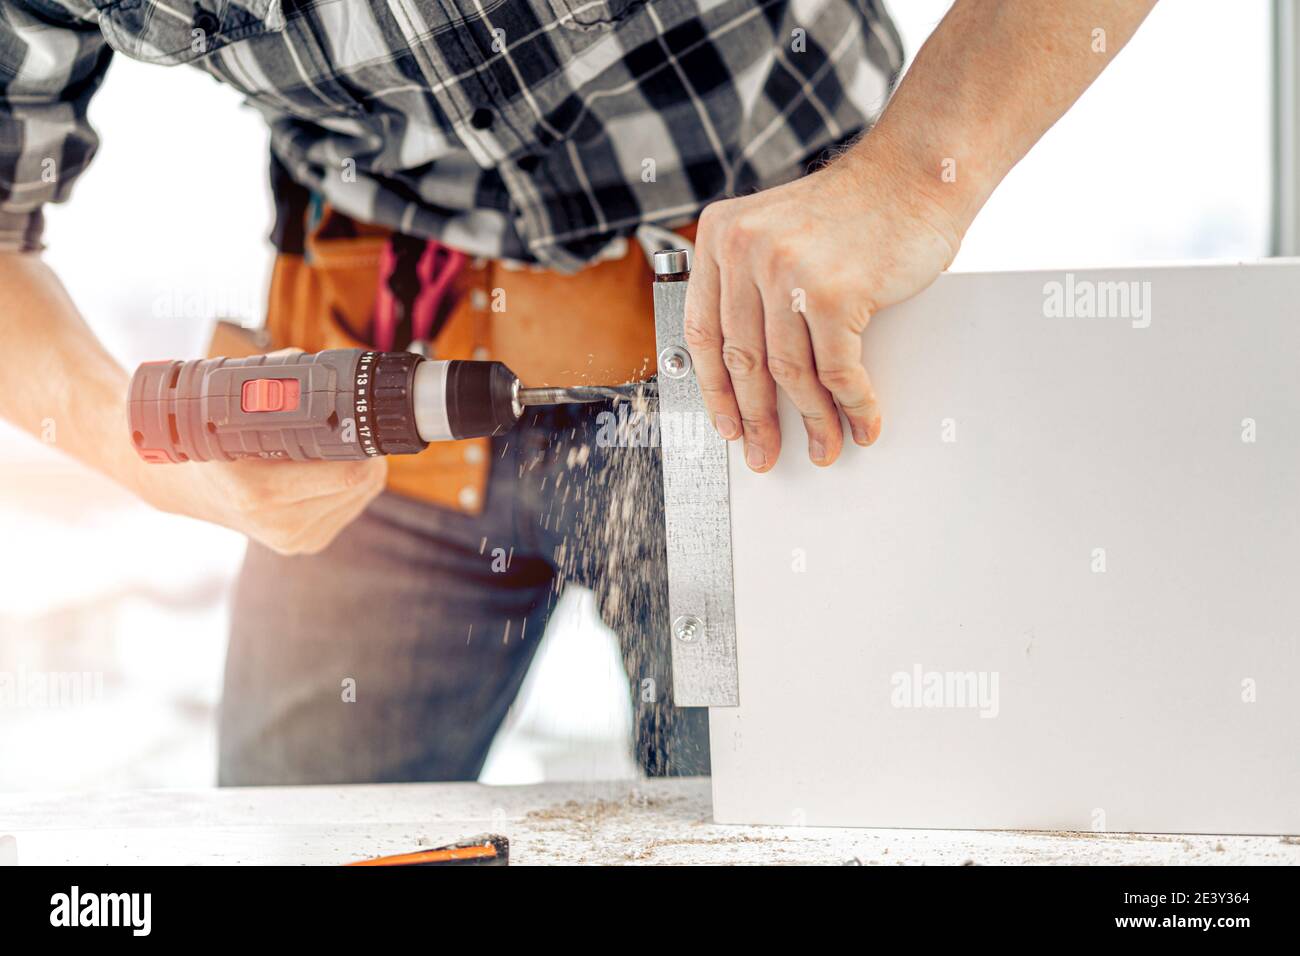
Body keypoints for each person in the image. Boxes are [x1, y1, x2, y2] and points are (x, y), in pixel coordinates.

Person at [0, 0, 1156, 783]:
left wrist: (911, 180)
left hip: (771, 363)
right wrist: (132, 439)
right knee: (302, 839)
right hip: (369, 392)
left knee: (806, 829)